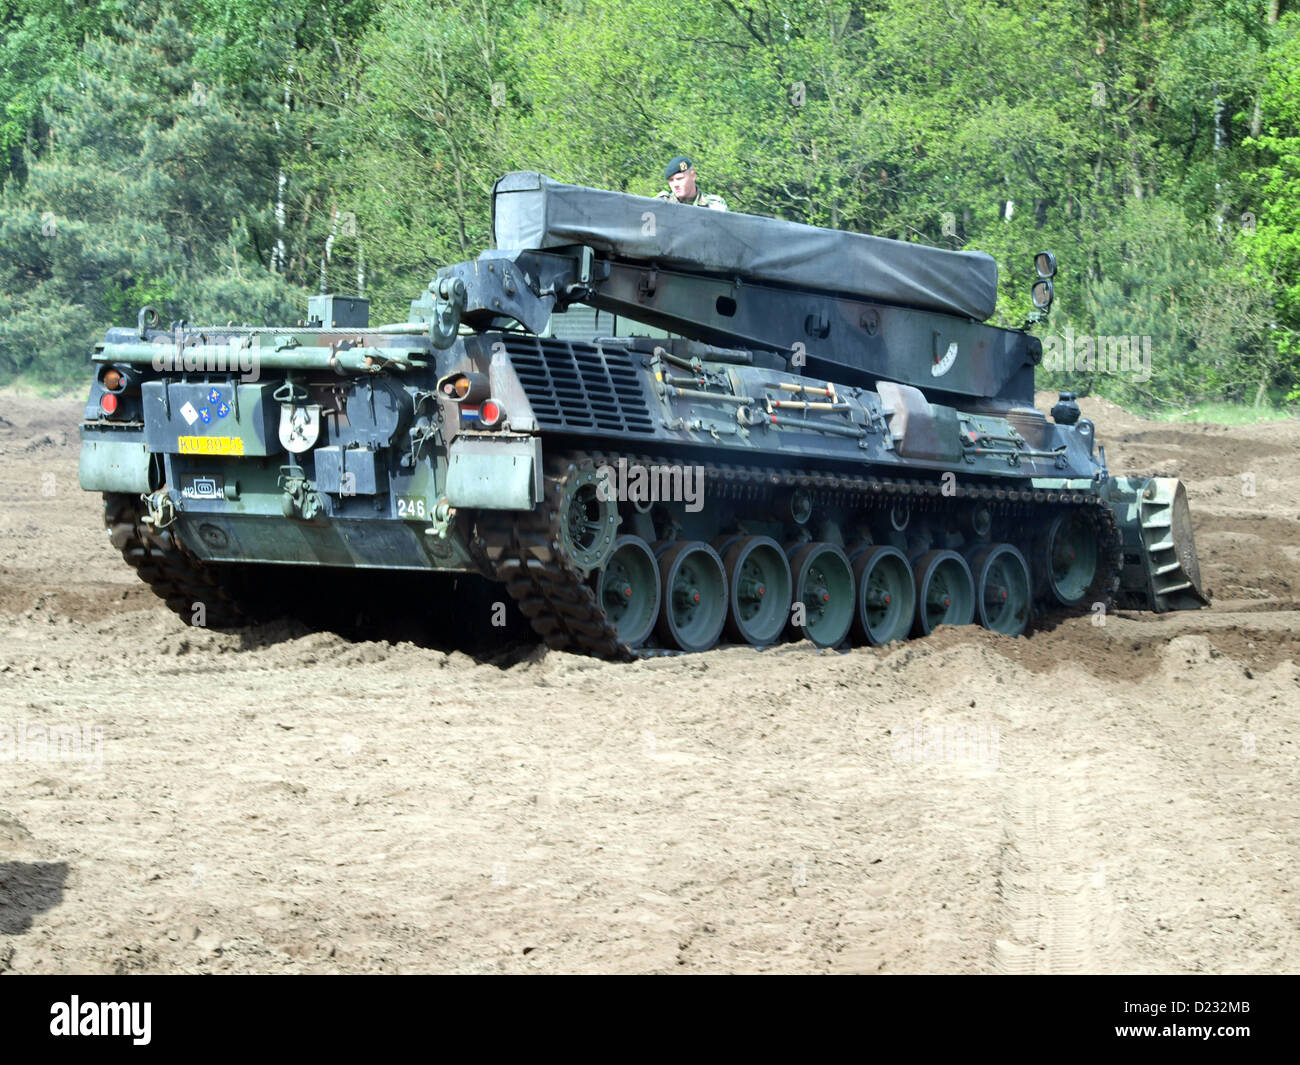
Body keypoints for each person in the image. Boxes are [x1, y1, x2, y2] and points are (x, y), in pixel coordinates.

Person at [655, 156, 728, 210]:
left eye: (679, 178)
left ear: (693, 176)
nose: (675, 184)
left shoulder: (715, 205)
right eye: (671, 180)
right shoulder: (660, 204)